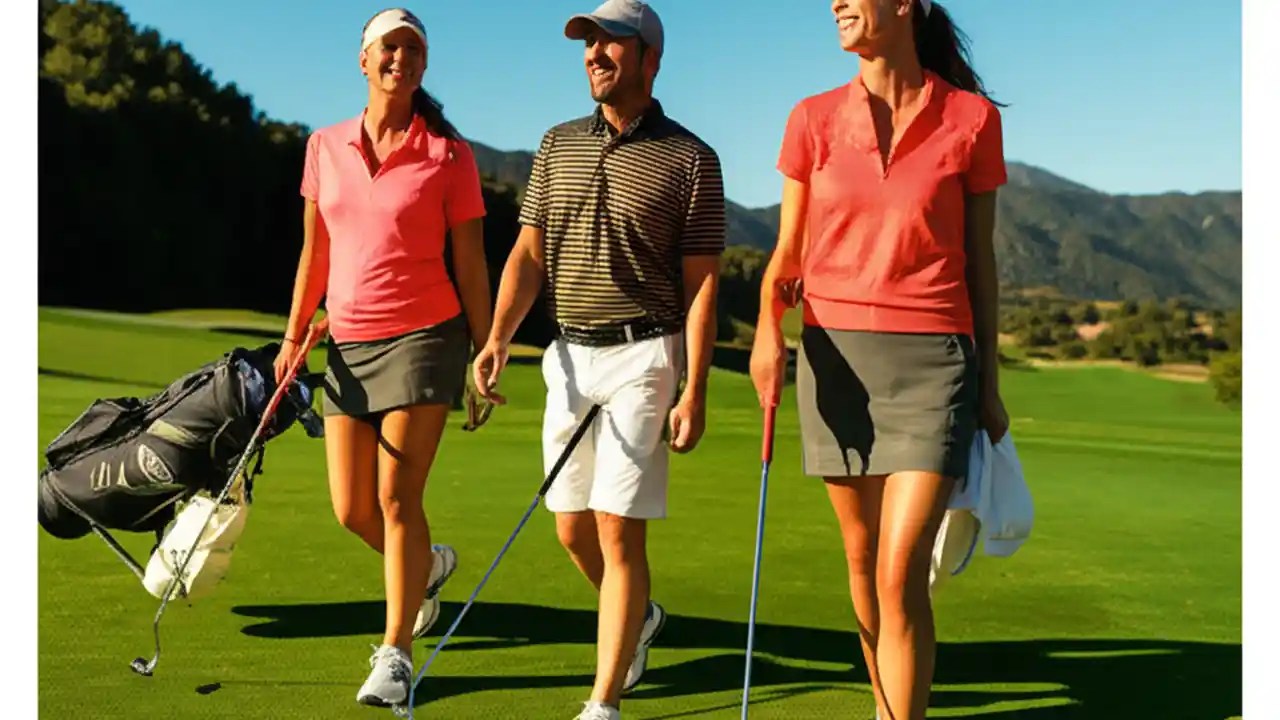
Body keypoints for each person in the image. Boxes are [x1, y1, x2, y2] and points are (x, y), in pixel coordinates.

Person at [749, 1, 1010, 719]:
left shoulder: (972, 120)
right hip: (835, 360)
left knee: (899, 576)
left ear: (904, 6)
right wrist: (770, 334)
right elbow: (788, 253)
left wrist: (988, 377)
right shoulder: (811, 118)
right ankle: (886, 707)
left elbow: (979, 263)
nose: (836, 4)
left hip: (934, 361)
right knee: (863, 568)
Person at [472, 1, 725, 717]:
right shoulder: (556, 144)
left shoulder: (691, 158)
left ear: (650, 59)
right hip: (568, 357)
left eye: (613, 43)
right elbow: (529, 252)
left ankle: (603, 701)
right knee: (570, 523)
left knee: (617, 526)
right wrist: (497, 337)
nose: (594, 55)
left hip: (646, 355)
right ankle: (639, 617)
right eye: (589, 44)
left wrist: (695, 386)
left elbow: (702, 284)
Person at [274, 7, 493, 708]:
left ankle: (396, 651)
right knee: (350, 508)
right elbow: (317, 250)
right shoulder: (324, 146)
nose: (402, 58)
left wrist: (486, 350)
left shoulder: (449, 156)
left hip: (427, 338)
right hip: (347, 343)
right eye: (389, 48)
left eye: (414, 50)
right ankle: (427, 567)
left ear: (423, 65)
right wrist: (293, 333)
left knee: (399, 498)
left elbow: (471, 260)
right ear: (363, 60)